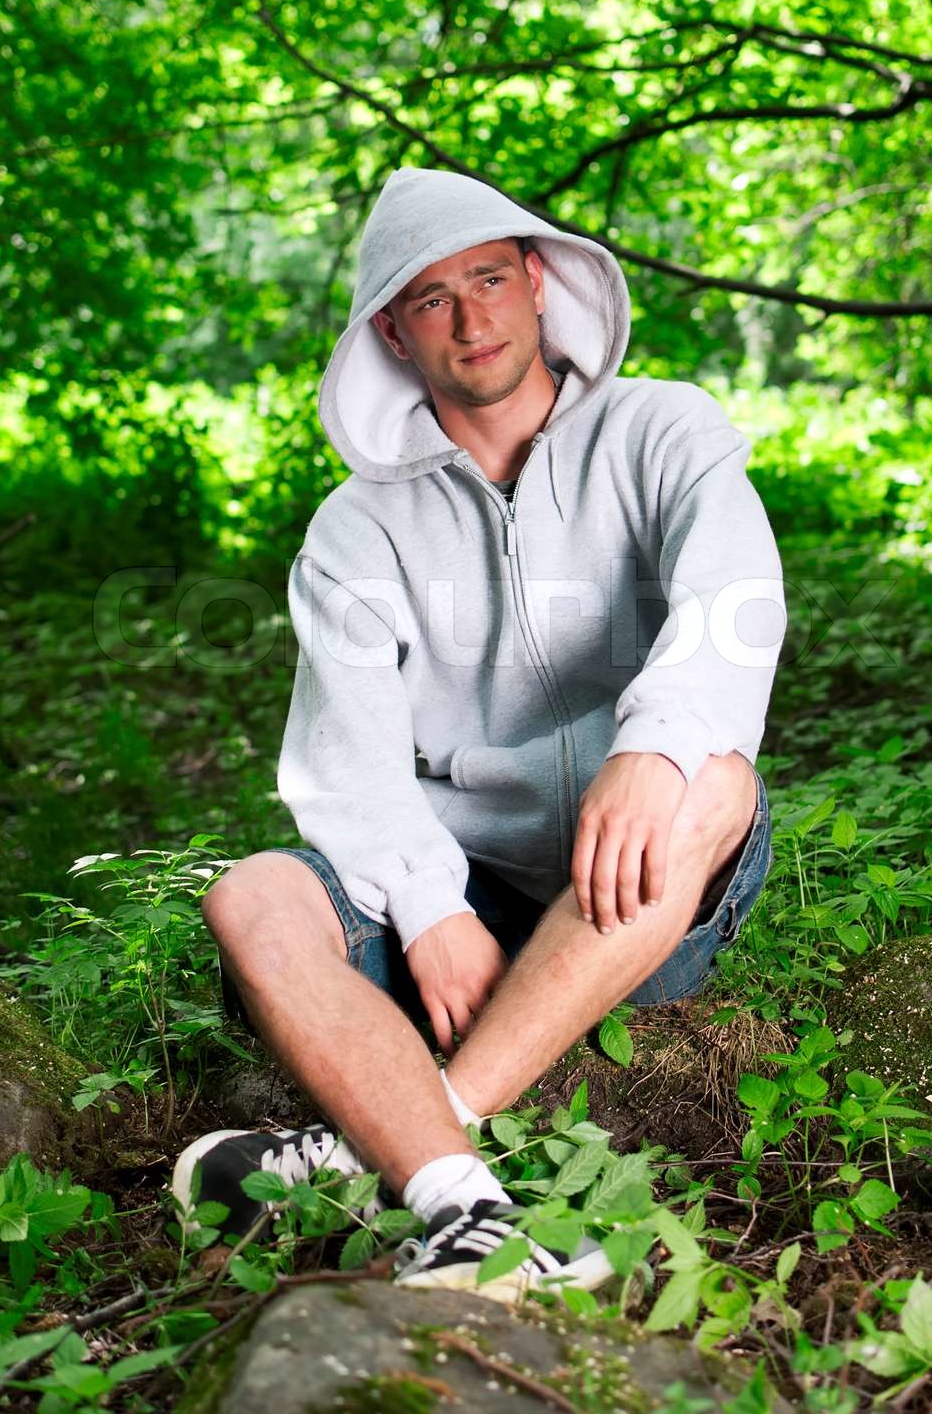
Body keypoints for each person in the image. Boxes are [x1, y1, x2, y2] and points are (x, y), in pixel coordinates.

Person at [172, 166, 786, 1301]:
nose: (473, 317)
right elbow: (344, 758)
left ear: (539, 282)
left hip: (637, 896)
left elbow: (734, 593)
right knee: (250, 893)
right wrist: (432, 905)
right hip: (465, 911)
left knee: (720, 781)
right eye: (433, 299)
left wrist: (652, 744)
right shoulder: (358, 527)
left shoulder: (660, 428)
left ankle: (398, 1132)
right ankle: (466, 1213)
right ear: (396, 336)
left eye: (491, 278)